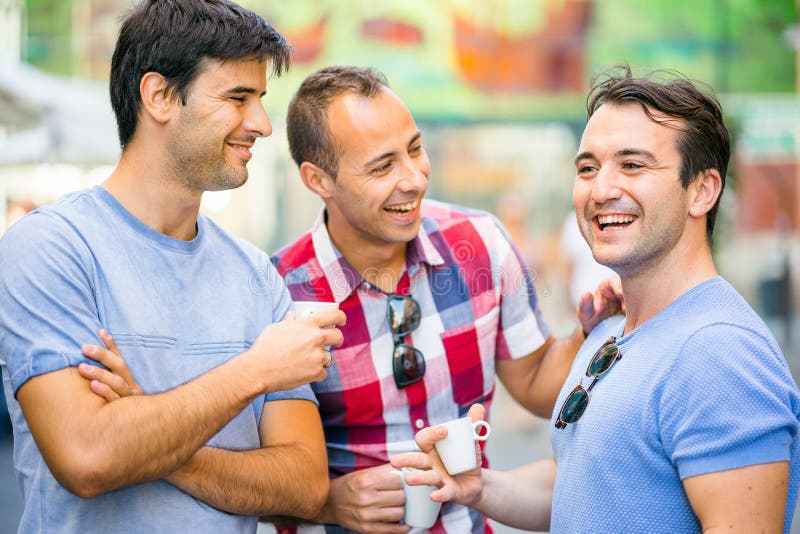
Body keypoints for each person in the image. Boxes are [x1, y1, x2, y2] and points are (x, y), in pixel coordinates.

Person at [393, 66, 800, 533]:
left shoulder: (719, 353)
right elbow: (584, 482)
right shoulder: (611, 330)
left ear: (702, 190)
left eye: (633, 165)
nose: (601, 190)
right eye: (588, 168)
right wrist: (477, 487)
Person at [0, 1, 345, 532]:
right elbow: (88, 458)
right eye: (237, 98)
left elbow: (303, 486)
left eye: (260, 100)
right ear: (159, 96)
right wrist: (255, 370)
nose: (260, 125)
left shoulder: (255, 274)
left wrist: (145, 426)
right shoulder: (51, 248)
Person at [269, 65, 622, 533]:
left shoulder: (481, 243)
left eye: (415, 149)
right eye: (382, 166)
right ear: (318, 180)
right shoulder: (278, 293)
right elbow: (239, 478)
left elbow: (537, 383)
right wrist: (325, 504)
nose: (414, 179)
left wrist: (590, 333)